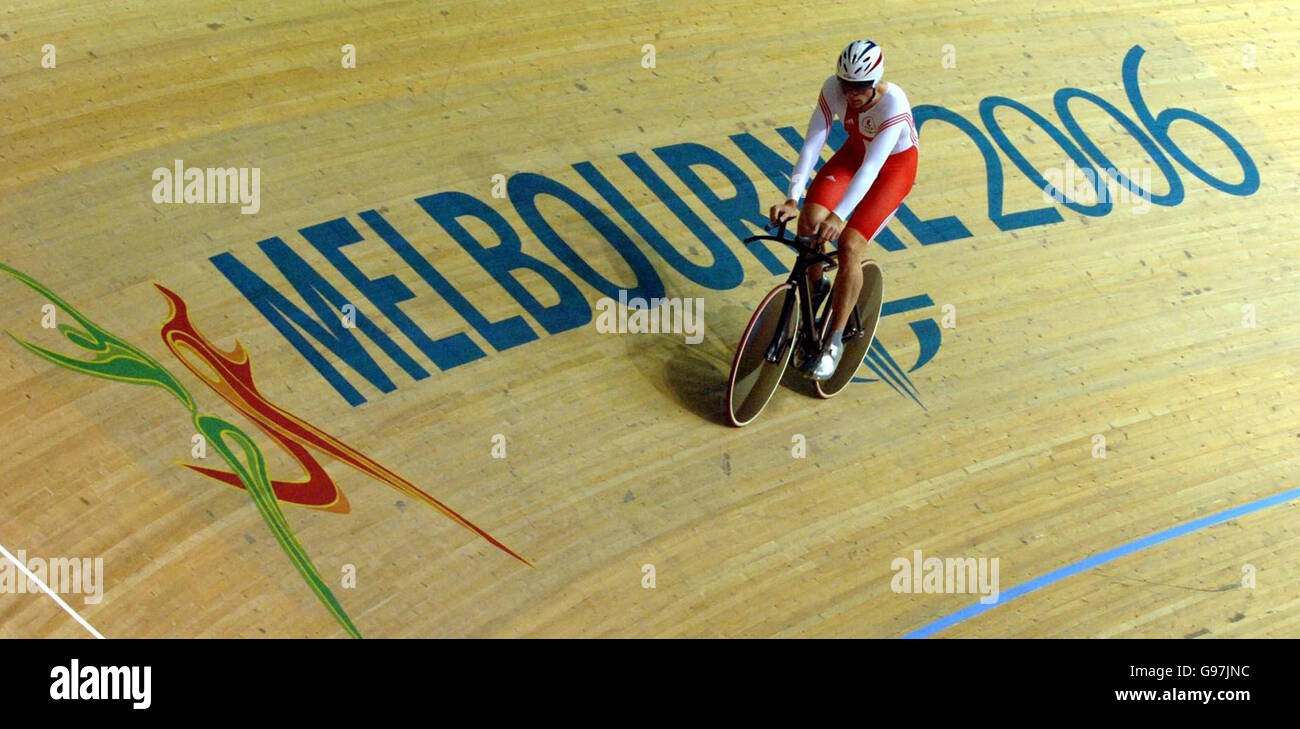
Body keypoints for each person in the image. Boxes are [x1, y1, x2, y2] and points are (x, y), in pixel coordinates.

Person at [769, 39, 919, 380]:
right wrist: (793, 196)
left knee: (849, 243)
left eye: (859, 89)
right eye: (845, 86)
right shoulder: (832, 89)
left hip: (893, 168)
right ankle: (818, 283)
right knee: (809, 219)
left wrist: (840, 217)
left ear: (875, 82)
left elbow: (873, 167)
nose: (850, 95)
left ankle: (834, 341)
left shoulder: (893, 101)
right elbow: (813, 142)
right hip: (855, 153)